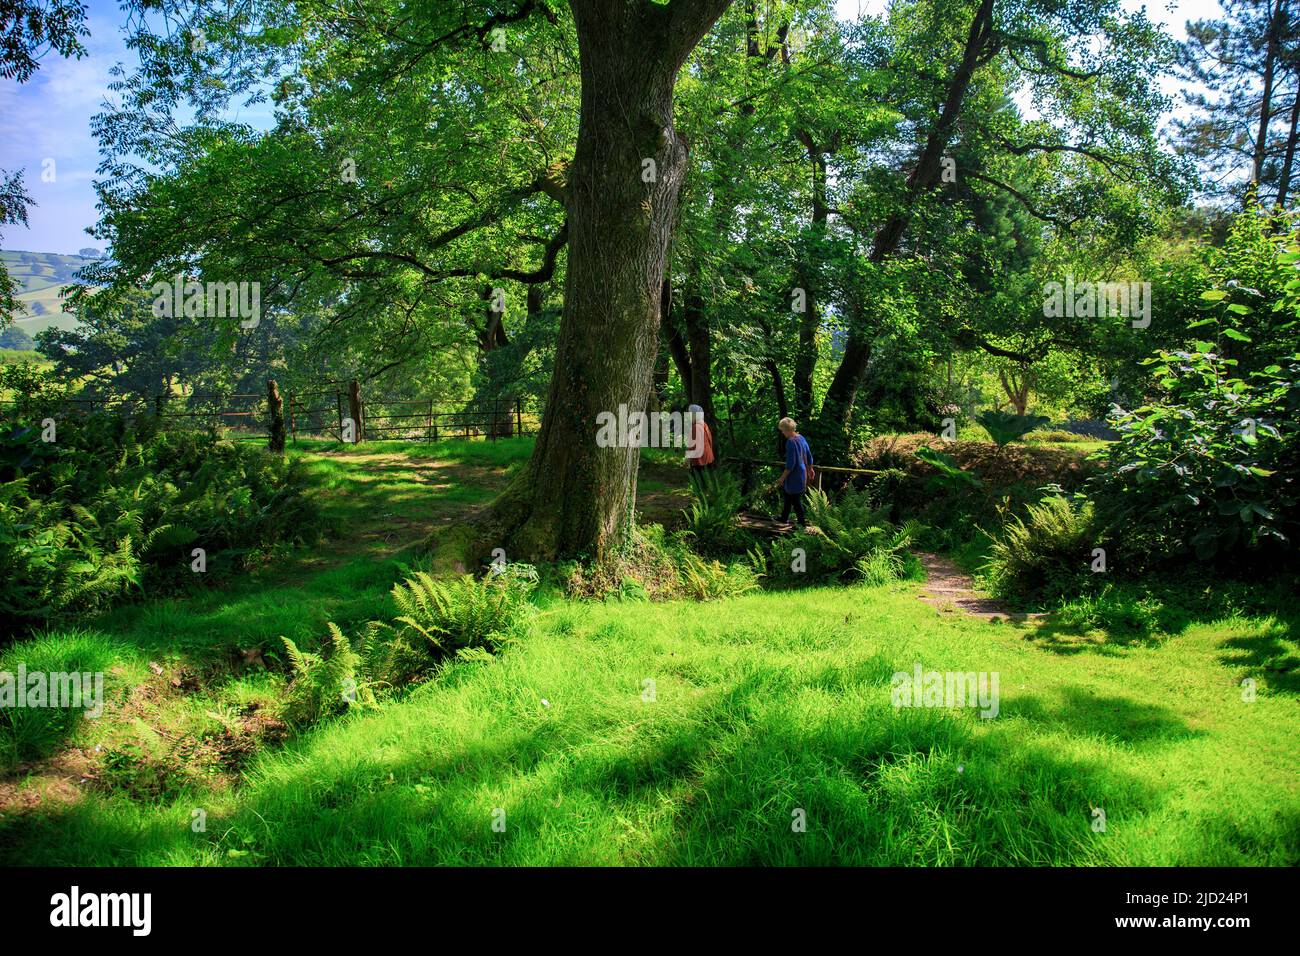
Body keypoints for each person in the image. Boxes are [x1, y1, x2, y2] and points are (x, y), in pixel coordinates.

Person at [773, 417, 813, 528]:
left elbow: (791, 464)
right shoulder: (801, 438)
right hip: (802, 472)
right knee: (788, 495)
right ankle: (784, 517)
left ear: (787, 429)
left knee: (795, 499)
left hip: (794, 474)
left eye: (782, 430)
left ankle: (801, 523)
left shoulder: (790, 442)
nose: (782, 433)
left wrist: (782, 478)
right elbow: (809, 455)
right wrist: (810, 469)